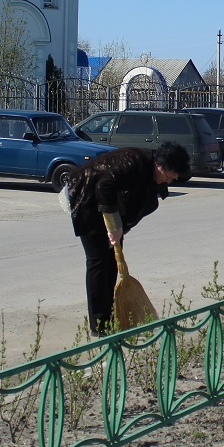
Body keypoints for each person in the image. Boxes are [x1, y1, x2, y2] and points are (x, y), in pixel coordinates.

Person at [64, 141, 191, 335]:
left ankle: (111, 315)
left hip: (108, 208)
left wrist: (120, 229)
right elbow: (103, 187)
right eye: (168, 176)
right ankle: (99, 325)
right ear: (159, 165)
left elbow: (135, 204)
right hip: (86, 199)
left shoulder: (152, 174)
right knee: (98, 263)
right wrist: (113, 227)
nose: (169, 182)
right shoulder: (132, 161)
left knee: (112, 263)